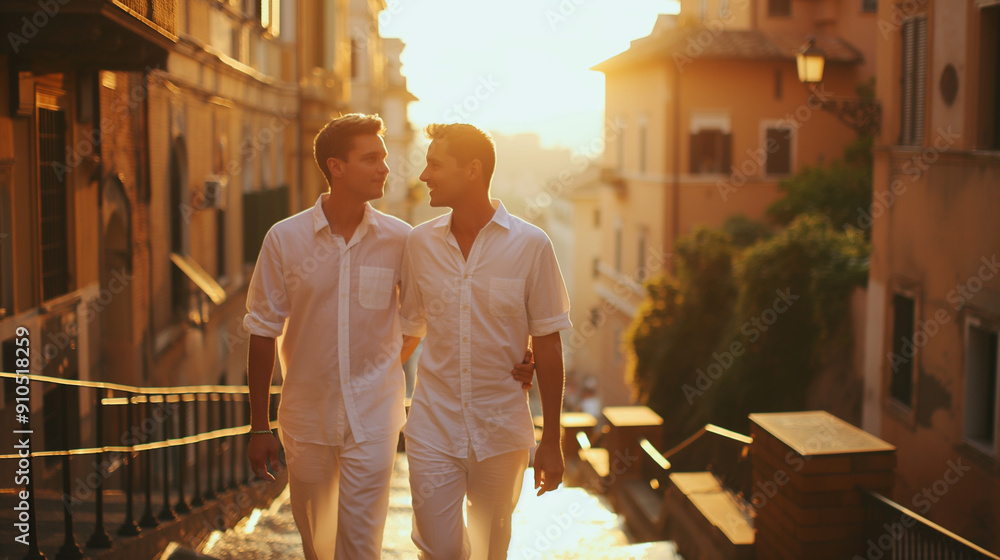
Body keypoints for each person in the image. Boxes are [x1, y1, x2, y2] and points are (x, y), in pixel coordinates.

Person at [244, 114, 534, 560]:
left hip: (375, 418)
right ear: (336, 167)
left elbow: (436, 308)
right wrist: (260, 424)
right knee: (317, 545)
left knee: (361, 546)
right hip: (305, 417)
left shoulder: (402, 240)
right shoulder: (285, 240)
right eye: (372, 158)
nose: (386, 168)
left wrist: (522, 349)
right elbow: (262, 331)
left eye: (383, 157)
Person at [399, 123, 572, 560]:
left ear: (472, 170)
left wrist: (551, 439)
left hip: (502, 430)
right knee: (438, 550)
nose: (424, 175)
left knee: (492, 550)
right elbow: (407, 330)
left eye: (435, 164)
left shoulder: (532, 245)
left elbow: (548, 344)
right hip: (432, 426)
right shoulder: (419, 244)